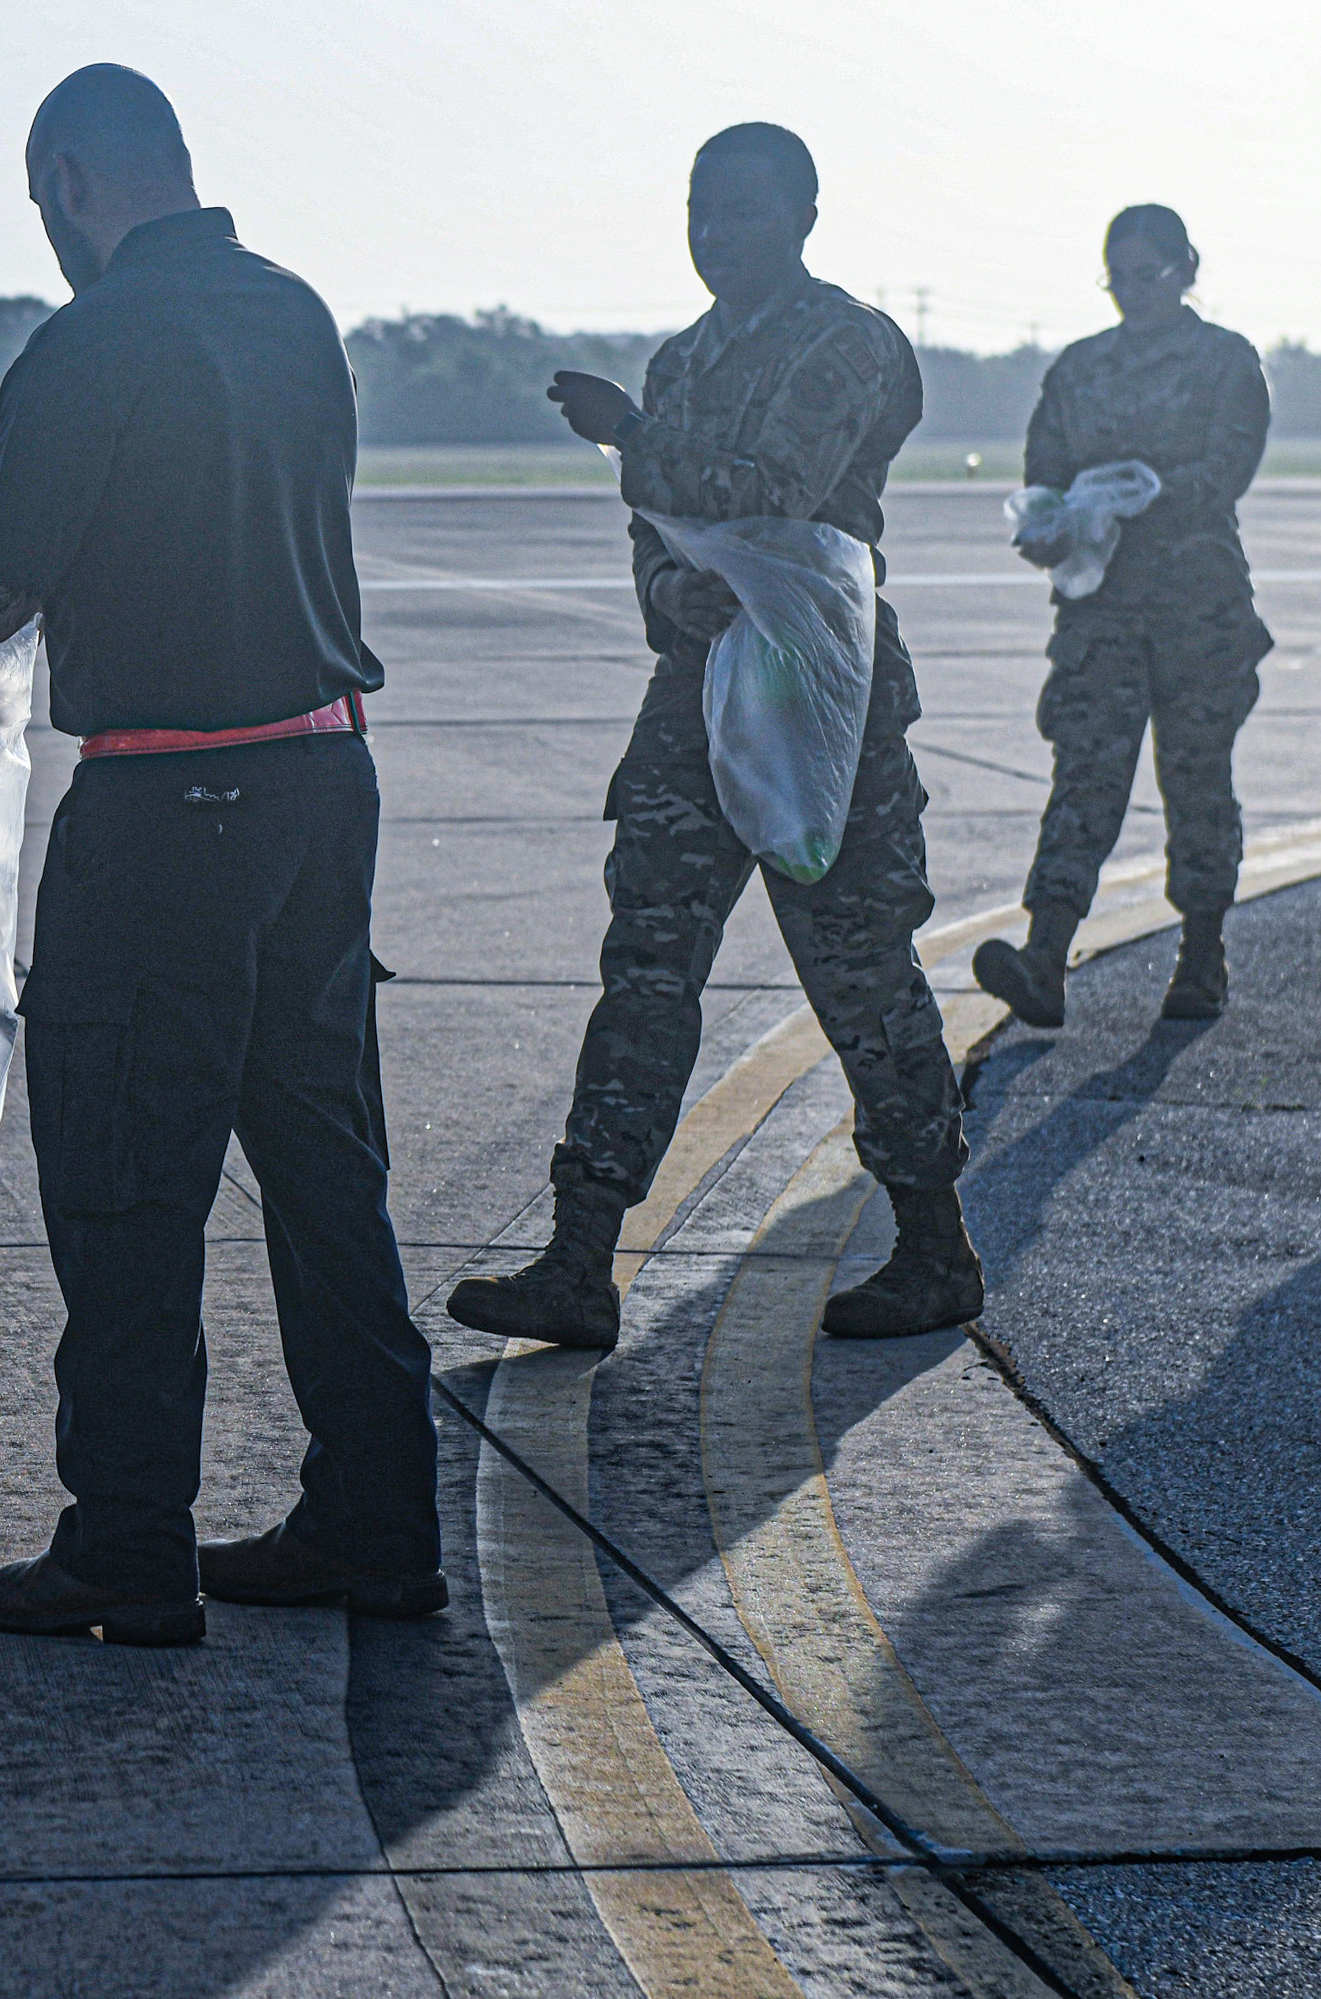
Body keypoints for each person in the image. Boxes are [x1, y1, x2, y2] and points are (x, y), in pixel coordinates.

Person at [0, 65, 441, 1647]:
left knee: (128, 1182)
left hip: (167, 809)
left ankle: (130, 1538)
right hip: (320, 787)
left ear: (70, 179)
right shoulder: (294, 314)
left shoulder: (88, 345)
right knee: (325, 1170)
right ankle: (379, 1520)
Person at [444, 123, 977, 1352]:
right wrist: (659, 593)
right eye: (700, 208)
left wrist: (630, 436)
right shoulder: (681, 360)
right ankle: (580, 1260)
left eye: (741, 209)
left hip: (817, 697)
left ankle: (935, 1245)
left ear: (802, 215)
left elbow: (770, 487)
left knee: (856, 970)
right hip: (697, 688)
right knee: (645, 965)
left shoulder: (850, 344)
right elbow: (664, 526)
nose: (715, 231)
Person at [976, 207, 1274, 1029]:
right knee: (1085, 779)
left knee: (1197, 780)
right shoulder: (1080, 368)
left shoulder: (1224, 361)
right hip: (1099, 611)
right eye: (1120, 276)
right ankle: (1045, 955)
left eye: (1151, 274)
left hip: (1198, 609)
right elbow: (1045, 471)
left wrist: (1148, 491)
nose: (1134, 291)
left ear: (1186, 270)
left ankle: (1202, 953)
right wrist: (1047, 523)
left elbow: (1229, 468)